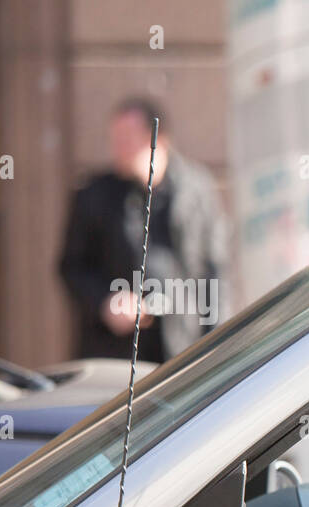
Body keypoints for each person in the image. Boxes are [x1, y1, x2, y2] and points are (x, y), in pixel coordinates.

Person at [59, 98, 231, 363]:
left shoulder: (197, 190)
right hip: (117, 354)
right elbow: (72, 268)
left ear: (158, 139)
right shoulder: (94, 195)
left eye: (127, 139)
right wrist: (106, 302)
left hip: (183, 346)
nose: (119, 148)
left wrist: (215, 346)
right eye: (114, 139)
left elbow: (214, 271)